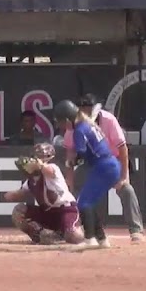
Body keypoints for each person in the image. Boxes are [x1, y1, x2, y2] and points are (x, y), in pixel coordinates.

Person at [63, 94, 144, 243]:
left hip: (108, 162)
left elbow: (122, 147)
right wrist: (69, 178)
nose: (86, 112)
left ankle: (135, 230)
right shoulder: (75, 126)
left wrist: (124, 176)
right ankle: (78, 229)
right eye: (82, 109)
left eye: (88, 109)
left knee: (126, 190)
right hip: (91, 163)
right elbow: (71, 150)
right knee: (75, 194)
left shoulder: (107, 120)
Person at [52, 99, 120, 251]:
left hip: (104, 167)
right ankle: (101, 238)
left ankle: (90, 239)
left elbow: (81, 155)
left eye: (61, 122)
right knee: (89, 201)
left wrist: (70, 163)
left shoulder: (79, 130)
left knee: (83, 202)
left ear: (68, 119)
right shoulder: (87, 125)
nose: (61, 126)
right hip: (108, 166)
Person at [3, 143, 85, 247]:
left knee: (73, 237)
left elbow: (49, 171)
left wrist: (39, 164)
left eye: (40, 157)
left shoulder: (53, 168)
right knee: (18, 211)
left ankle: (83, 230)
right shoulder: (31, 180)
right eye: (36, 157)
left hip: (66, 210)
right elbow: (18, 194)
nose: (36, 160)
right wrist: (6, 195)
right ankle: (42, 236)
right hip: (48, 213)